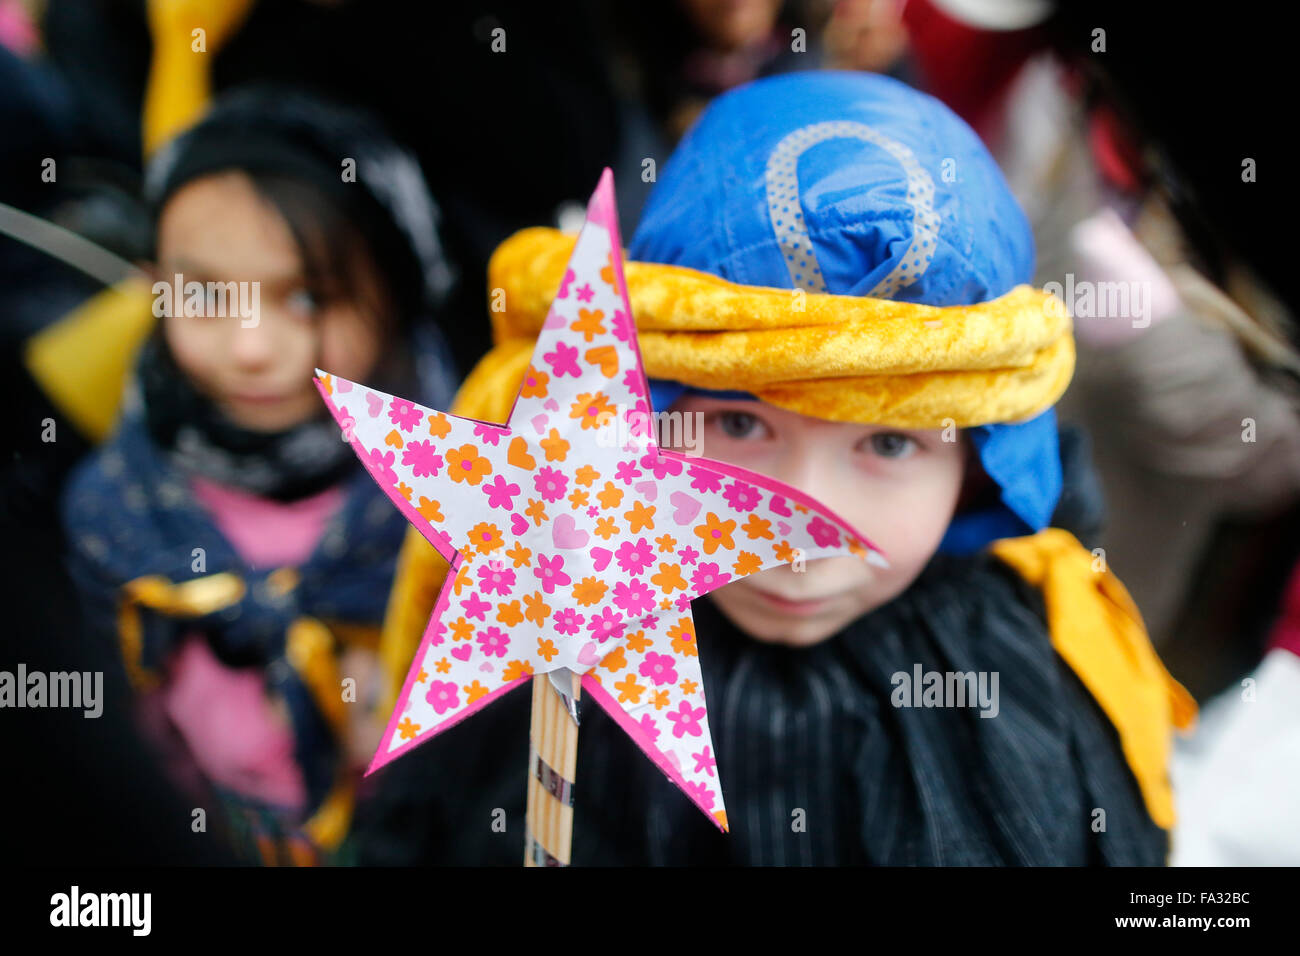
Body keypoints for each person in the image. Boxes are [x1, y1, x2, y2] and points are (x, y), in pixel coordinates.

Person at [355, 71, 1193, 865]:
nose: (791, 537)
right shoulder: (545, 641)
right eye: (737, 422)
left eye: (889, 443)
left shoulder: (1022, 689)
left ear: (980, 463)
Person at [59, 88, 459, 865]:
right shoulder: (115, 508)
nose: (250, 347)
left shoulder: (464, 490)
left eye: (307, 296)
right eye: (207, 294)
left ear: (398, 295)